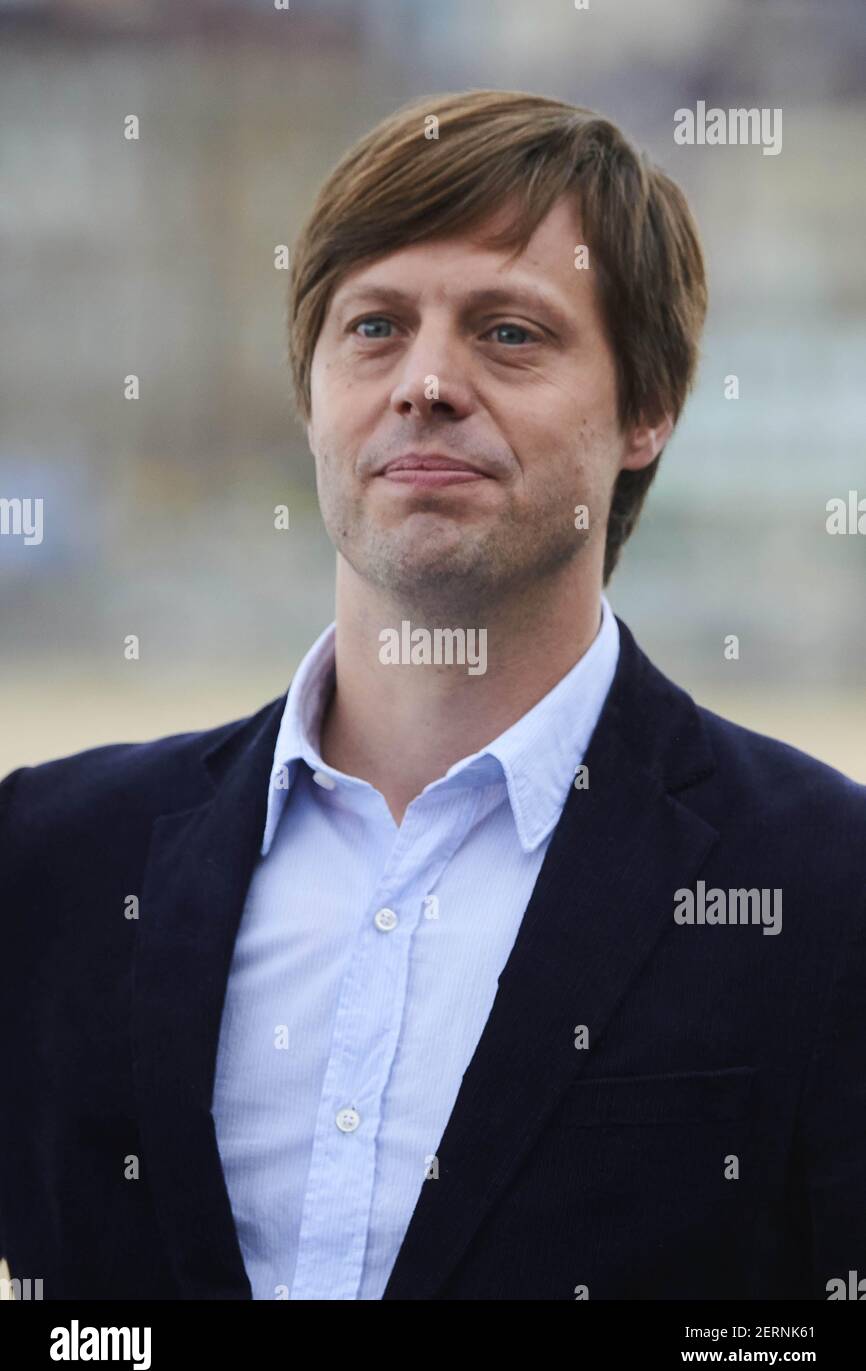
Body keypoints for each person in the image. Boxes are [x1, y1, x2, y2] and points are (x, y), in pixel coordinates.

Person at [1, 90, 864, 1302]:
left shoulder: (823, 883)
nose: (426, 382)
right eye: (373, 326)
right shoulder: (49, 863)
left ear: (648, 410)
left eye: (509, 332)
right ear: (310, 395)